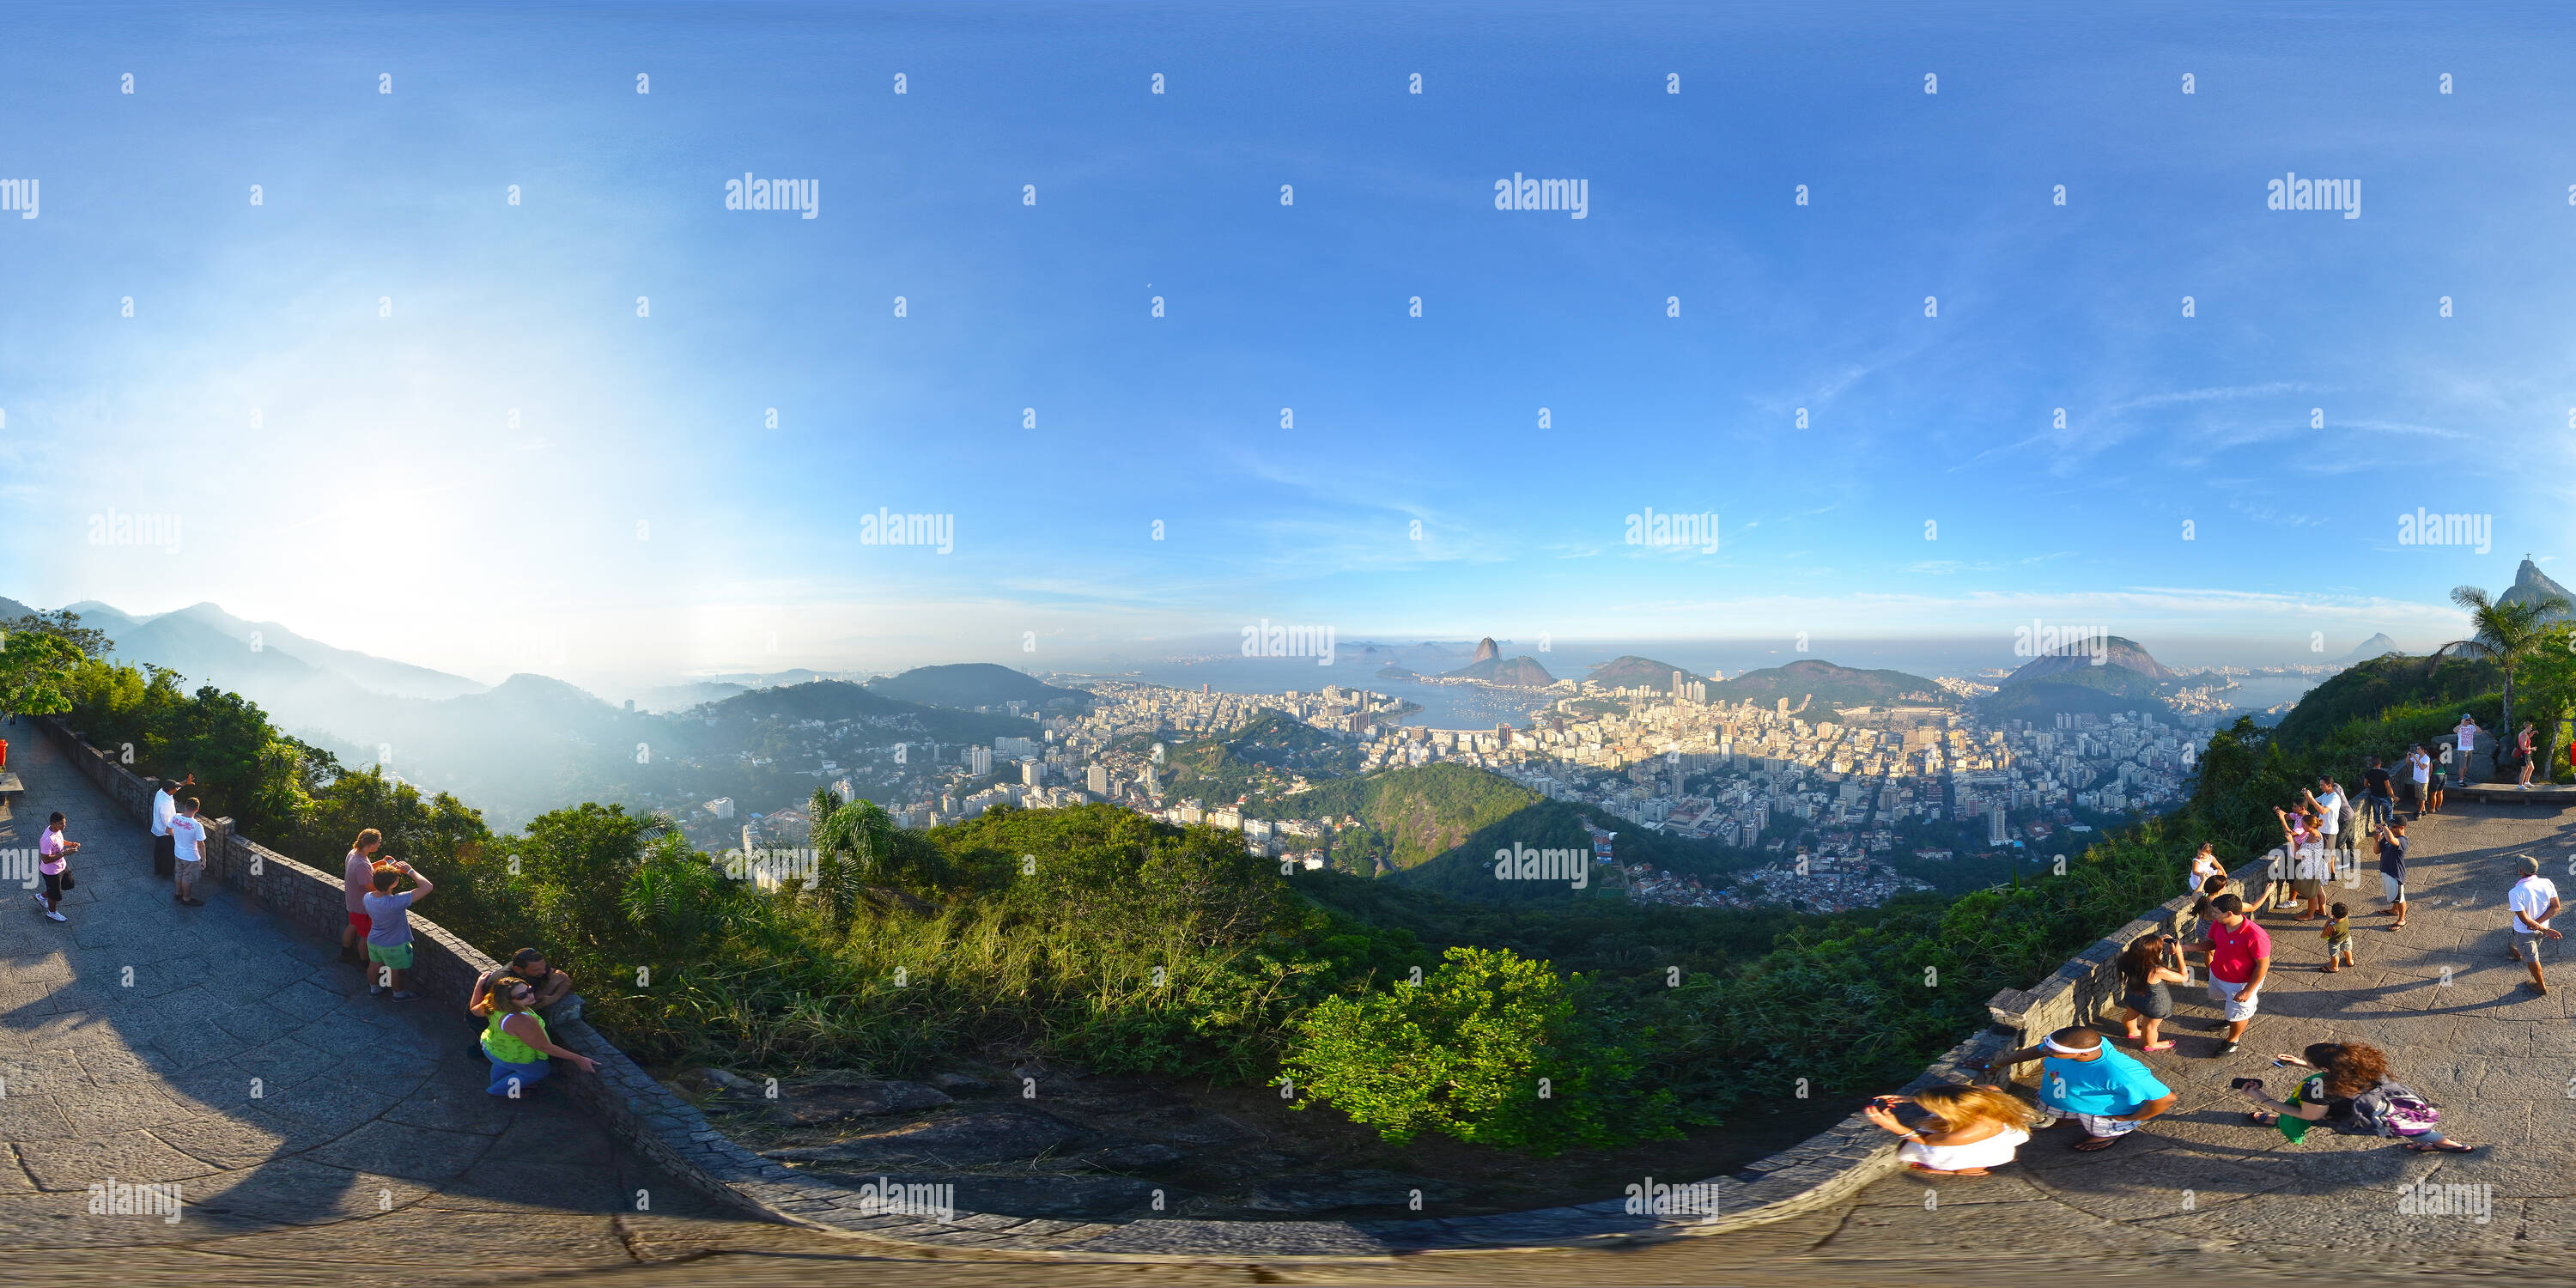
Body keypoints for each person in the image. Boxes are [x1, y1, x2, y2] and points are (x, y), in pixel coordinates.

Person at [2239, 1042, 2475, 1153]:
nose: (2306, 1063)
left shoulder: (2319, 1089)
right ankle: (2447, 1144)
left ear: (2326, 1070)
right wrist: (2302, 1064)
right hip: (2391, 1106)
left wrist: (2262, 1097)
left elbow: (2306, 1114)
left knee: (2300, 1118)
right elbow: (2337, 1071)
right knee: (2417, 1129)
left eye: (2309, 1062)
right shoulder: (2365, 1065)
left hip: (2349, 1113)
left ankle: (2277, 1120)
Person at [1971, 1027, 2177, 1151]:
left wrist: (2128, 1117)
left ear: (2082, 1055)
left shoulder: (2122, 1072)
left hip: (2102, 1112)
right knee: (2049, 1112)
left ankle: (2110, 1135)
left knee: (2101, 1129)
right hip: (2059, 1094)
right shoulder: (2076, 1044)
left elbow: (2165, 1099)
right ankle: (2066, 1118)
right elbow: (2037, 1050)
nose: (2045, 1051)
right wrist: (1996, 1064)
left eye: (2053, 1051)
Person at [1862, 1083, 2038, 1176]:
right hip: (1993, 1134)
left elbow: (1927, 1141)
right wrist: (1910, 1099)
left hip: (1975, 1144)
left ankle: (1970, 1171)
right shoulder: (1989, 1092)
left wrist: (1895, 1127)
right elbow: (1957, 1096)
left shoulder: (1973, 1130)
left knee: (1954, 1160)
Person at [474, 973, 598, 1098]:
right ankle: (503, 1091)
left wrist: (479, 984)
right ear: (509, 1000)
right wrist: (578, 1059)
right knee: (539, 1071)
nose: (530, 996)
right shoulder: (522, 1020)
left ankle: (502, 1081)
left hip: (492, 1047)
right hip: (516, 1055)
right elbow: (544, 1047)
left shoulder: (492, 1003)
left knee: (502, 1064)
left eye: (529, 990)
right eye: (522, 996)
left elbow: (474, 1009)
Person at [2188, 893, 2270, 1055]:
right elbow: (2212, 943)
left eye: (2216, 912)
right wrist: (2185, 948)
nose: (2212, 915)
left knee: (2239, 1013)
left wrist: (2248, 990)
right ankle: (2229, 1019)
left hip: (2241, 983)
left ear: (2229, 914)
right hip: (2220, 974)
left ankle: (2233, 1040)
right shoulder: (2219, 924)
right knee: (2231, 1008)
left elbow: (2263, 964)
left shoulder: (2255, 935)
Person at [362, 860, 434, 999]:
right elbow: (427, 887)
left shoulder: (367, 898)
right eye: (397, 879)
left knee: (374, 965)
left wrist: (387, 870)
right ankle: (398, 994)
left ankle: (375, 990)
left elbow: (380, 881)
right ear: (394, 883)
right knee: (396, 971)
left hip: (374, 941)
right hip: (394, 944)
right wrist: (410, 870)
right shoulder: (396, 902)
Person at [2116, 932, 2189, 1052]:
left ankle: (2133, 1032)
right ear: (2152, 954)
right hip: (2153, 1004)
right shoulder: (2157, 971)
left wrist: (2157, 941)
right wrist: (2179, 954)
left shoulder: (2126, 959)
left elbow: (2140, 950)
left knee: (2130, 1016)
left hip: (2133, 995)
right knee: (2150, 1026)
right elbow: (2184, 978)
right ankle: (2151, 1044)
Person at [468, 948, 575, 1029]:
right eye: (537, 970)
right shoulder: (505, 984)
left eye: (544, 967)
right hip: (485, 1019)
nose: (544, 972)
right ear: (518, 970)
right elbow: (531, 1004)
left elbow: (565, 980)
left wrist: (554, 997)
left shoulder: (538, 967)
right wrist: (551, 985)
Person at [2505, 856, 2562, 994]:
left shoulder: (2515, 892)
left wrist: (2543, 929)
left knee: (2533, 958)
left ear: (2520, 871)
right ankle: (2519, 952)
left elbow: (2525, 920)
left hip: (2525, 932)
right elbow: (2556, 907)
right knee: (2533, 944)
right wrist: (2541, 924)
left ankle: (2541, 986)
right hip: (2542, 928)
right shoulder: (2547, 883)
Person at [343, 829, 383, 968]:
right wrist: (387, 887)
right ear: (371, 844)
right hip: (363, 907)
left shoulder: (354, 853)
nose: (379, 845)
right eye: (378, 843)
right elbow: (370, 887)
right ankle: (364, 961)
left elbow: (364, 871)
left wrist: (381, 864)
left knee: (353, 925)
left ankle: (345, 953)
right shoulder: (362, 864)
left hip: (352, 902)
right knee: (366, 936)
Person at [35, 811, 77, 924]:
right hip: (51, 872)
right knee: (55, 894)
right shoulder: (47, 839)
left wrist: (70, 843)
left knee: (68, 883)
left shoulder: (56, 830)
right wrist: (65, 853)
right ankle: (52, 913)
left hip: (61, 866)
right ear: (53, 823)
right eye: (61, 824)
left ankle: (42, 896)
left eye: (65, 823)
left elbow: (59, 840)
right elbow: (46, 859)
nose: (64, 826)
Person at [149, 774, 194, 878]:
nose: (176, 790)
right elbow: (167, 822)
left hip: (158, 830)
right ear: (170, 790)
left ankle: (158, 869)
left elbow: (176, 787)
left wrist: (185, 782)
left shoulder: (161, 792)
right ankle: (166, 872)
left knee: (158, 851)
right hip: (165, 832)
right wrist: (175, 833)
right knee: (168, 854)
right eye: (175, 788)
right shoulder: (164, 803)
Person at [167, 797, 209, 906]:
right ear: (197, 809)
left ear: (185, 807)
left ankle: (177, 894)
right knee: (187, 877)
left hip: (178, 852)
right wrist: (204, 860)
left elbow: (168, 830)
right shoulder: (197, 826)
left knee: (179, 873)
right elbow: (201, 845)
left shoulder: (176, 817)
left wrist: (177, 837)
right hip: (191, 856)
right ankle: (186, 899)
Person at [2376, 817, 2410, 930]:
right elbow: (2376, 851)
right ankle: (2394, 910)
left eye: (2394, 827)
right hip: (2386, 871)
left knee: (2400, 897)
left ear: (2402, 828)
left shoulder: (2403, 840)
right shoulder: (2386, 838)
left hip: (2395, 873)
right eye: (2390, 826)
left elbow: (2392, 840)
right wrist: (2376, 840)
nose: (2391, 828)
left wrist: (2384, 827)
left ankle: (2402, 919)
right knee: (2394, 895)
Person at [2360, 756, 2396, 830]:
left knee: (2376, 814)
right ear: (2380, 764)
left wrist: (2371, 787)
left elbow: (2365, 784)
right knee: (2389, 812)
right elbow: (2388, 787)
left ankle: (2379, 830)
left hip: (2374, 796)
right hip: (2384, 797)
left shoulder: (2368, 773)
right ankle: (2388, 829)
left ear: (2373, 764)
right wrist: (2394, 797)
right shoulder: (2384, 774)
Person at [2321, 902, 2354, 973]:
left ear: (2332, 913)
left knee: (2334, 954)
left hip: (2335, 941)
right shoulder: (2346, 917)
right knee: (2347, 949)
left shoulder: (2332, 927)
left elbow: (2324, 935)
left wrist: (2328, 922)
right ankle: (2350, 961)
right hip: (2346, 937)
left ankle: (2334, 967)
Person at [2404, 744, 2432, 818]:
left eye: (2418, 749)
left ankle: (2419, 812)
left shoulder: (2426, 758)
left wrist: (2416, 759)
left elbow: (2423, 767)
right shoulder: (2417, 755)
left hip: (2423, 780)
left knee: (2422, 797)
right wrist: (2408, 756)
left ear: (2423, 750)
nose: (2417, 750)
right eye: (2417, 749)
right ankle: (2423, 810)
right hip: (2416, 779)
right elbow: (2408, 763)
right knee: (2419, 797)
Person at [2515, 721, 2538, 789]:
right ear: (2527, 727)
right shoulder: (2524, 736)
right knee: (2524, 770)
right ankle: (2520, 785)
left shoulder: (2523, 733)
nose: (2531, 729)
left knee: (2531, 768)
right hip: (2525, 755)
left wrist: (2533, 732)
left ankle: (2527, 782)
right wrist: (2532, 748)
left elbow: (2528, 738)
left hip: (2527, 755)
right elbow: (2523, 748)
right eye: (2530, 728)